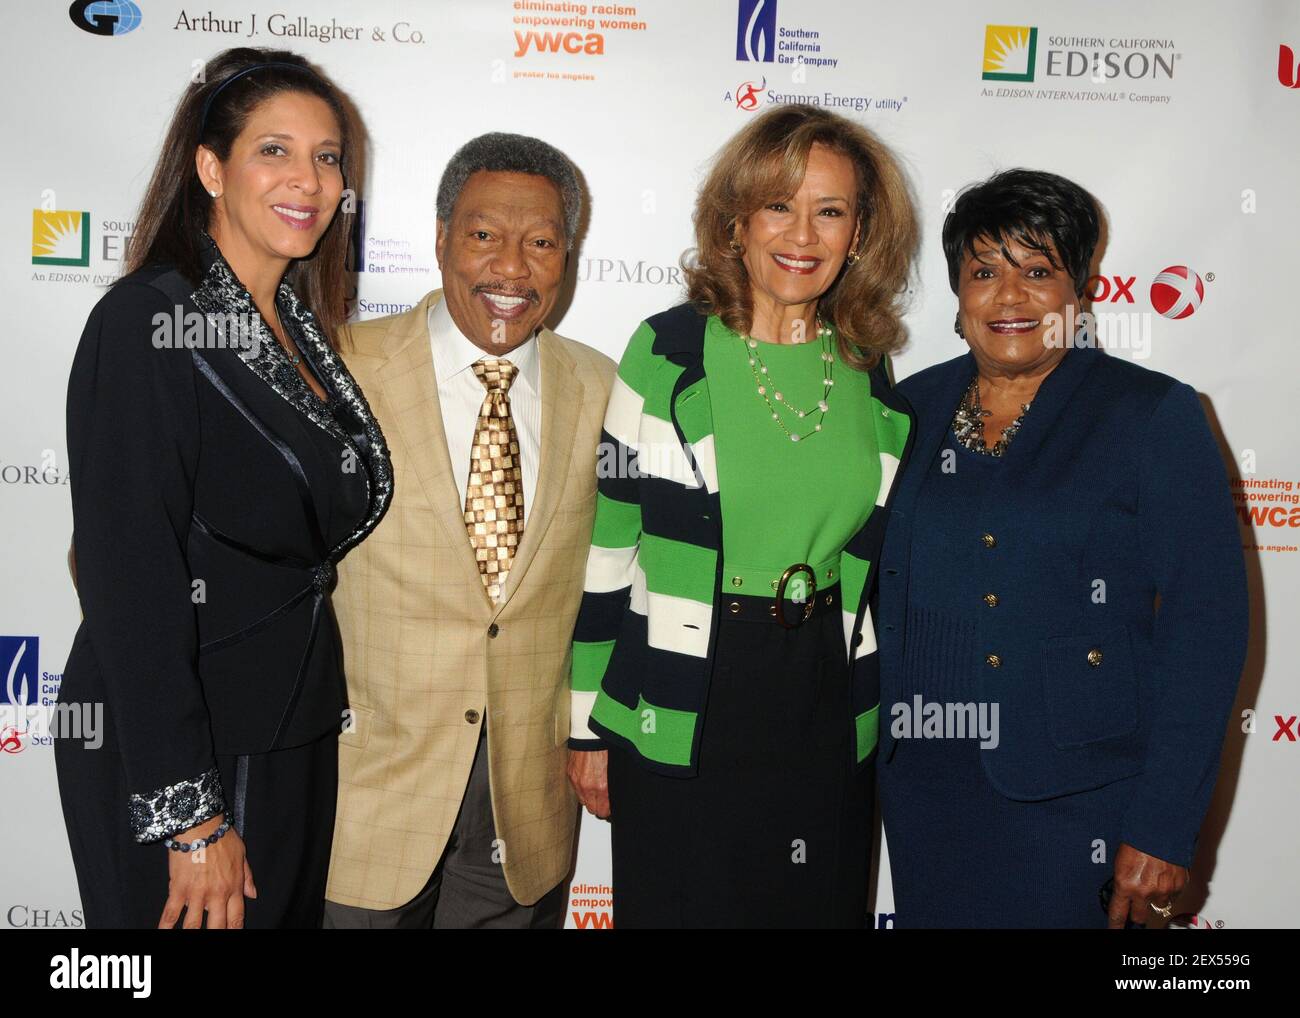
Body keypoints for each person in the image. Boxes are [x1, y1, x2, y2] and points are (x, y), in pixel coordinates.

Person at [55, 48, 392, 929]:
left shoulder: (301, 327)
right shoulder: (146, 322)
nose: (309, 180)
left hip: (292, 733)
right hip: (185, 750)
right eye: (274, 151)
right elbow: (128, 580)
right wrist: (191, 818)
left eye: (327, 157)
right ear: (211, 168)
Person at [566, 104, 919, 928]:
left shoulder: (868, 365)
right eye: (778, 206)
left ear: (859, 232)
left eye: (830, 210)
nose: (803, 233)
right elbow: (609, 548)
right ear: (736, 221)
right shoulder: (666, 351)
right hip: (683, 693)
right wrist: (586, 729)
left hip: (825, 698)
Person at [875, 168, 1249, 928]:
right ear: (957, 295)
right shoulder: (906, 408)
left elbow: (1206, 625)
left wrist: (1163, 826)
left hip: (1077, 795)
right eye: (984, 273)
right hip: (925, 787)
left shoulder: (1152, 415)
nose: (1009, 298)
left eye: (1038, 272)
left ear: (1079, 291)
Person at [322, 133, 616, 929]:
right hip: (365, 795)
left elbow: (625, 579)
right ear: (443, 236)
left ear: (570, 254)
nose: (512, 269)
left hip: (524, 809)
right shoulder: (340, 369)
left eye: (543, 242)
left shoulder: (605, 390)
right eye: (485, 235)